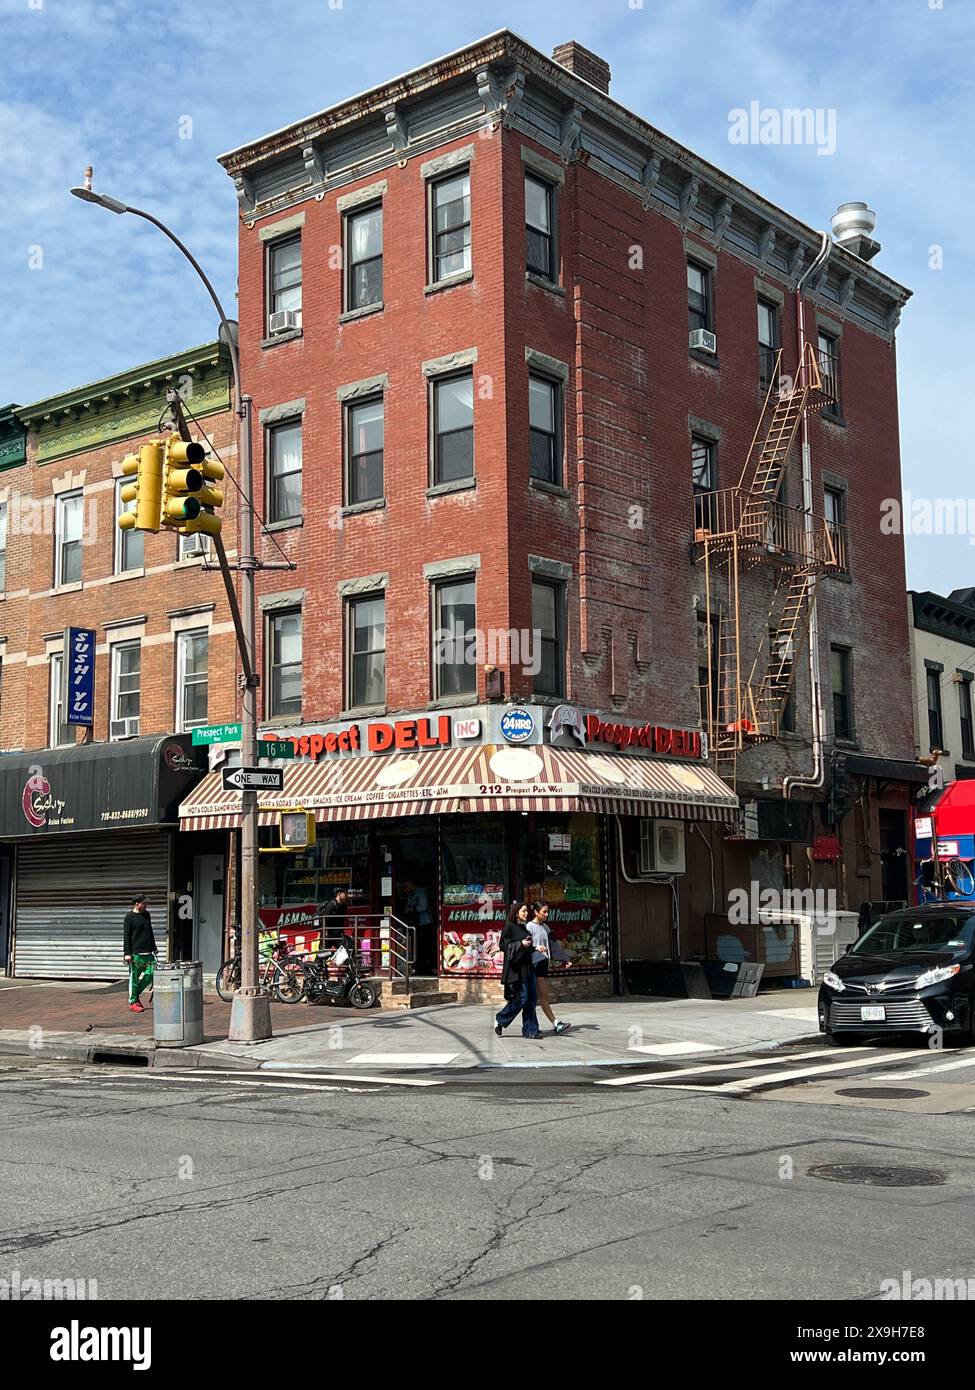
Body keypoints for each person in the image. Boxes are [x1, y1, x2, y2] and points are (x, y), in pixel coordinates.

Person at [494, 901, 540, 1039]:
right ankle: (501, 1019)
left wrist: (535, 947)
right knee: (522, 998)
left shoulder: (524, 928)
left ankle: (531, 1030)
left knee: (532, 999)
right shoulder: (509, 927)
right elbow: (503, 945)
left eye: (526, 911)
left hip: (528, 967)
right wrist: (520, 944)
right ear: (516, 913)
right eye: (524, 911)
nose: (526, 913)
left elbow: (526, 946)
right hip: (516, 969)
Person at [529, 901, 571, 1035]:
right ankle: (554, 1023)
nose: (547, 914)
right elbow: (525, 947)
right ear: (536, 912)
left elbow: (553, 946)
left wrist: (565, 959)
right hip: (533, 964)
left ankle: (536, 1026)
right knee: (542, 995)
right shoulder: (529, 927)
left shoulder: (546, 928)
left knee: (538, 997)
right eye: (544, 912)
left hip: (543, 964)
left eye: (547, 912)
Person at [123, 894, 156, 1014]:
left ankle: (136, 994)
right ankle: (133, 1002)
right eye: (144, 903)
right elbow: (126, 937)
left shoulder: (147, 914)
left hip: (148, 952)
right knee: (134, 979)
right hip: (136, 954)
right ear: (137, 903)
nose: (146, 905)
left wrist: (154, 947)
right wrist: (127, 953)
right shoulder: (129, 917)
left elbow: (150, 931)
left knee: (152, 973)